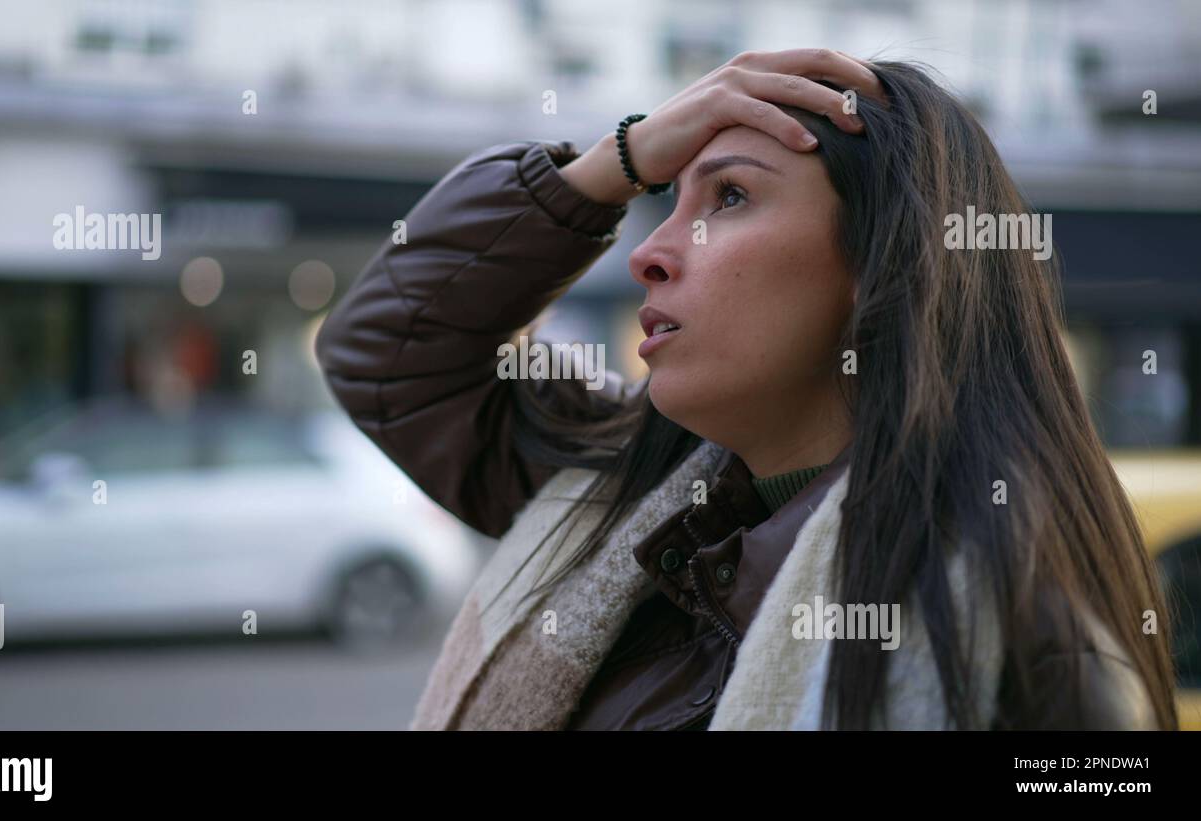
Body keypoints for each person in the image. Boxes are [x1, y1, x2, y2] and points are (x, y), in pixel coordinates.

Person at [315, 49, 1176, 730]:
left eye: (729, 196)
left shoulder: (1015, 630)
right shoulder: (618, 498)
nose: (645, 253)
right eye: (666, 199)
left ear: (884, 266)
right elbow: (386, 355)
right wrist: (617, 158)